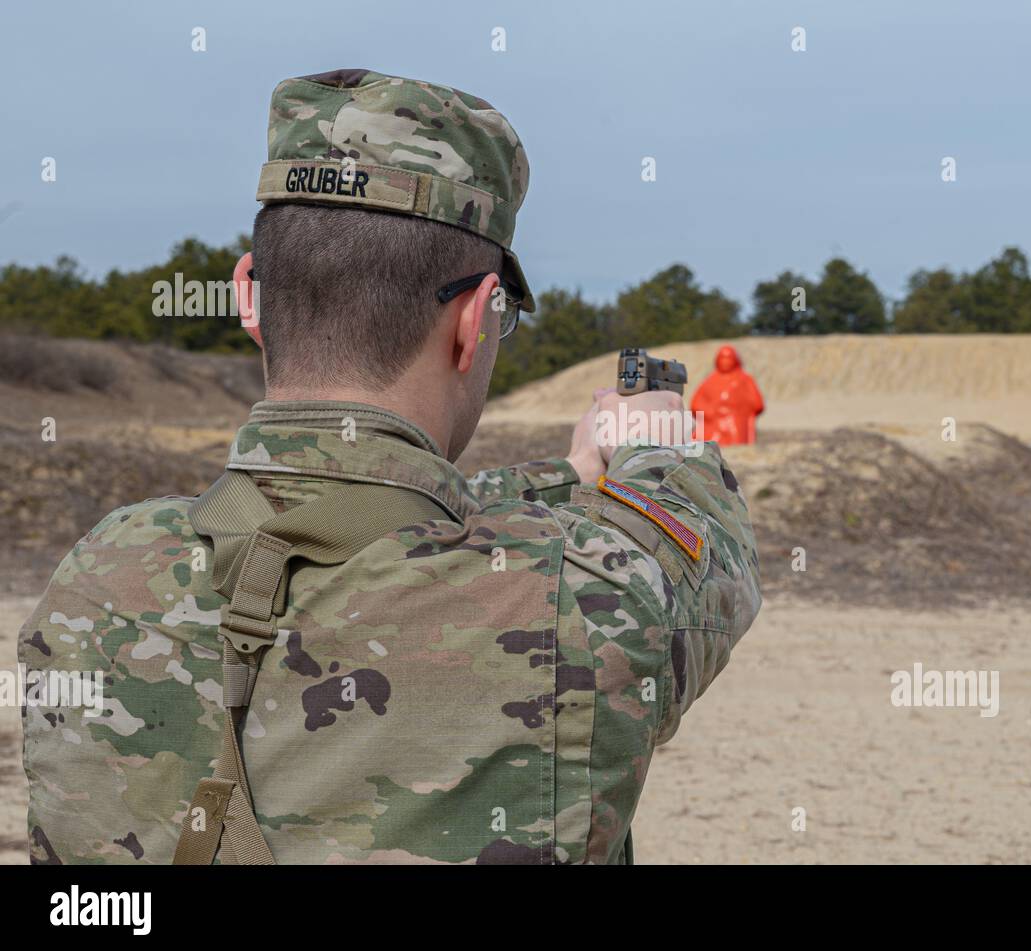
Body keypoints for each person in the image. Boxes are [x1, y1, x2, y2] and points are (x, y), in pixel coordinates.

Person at [18, 69, 760, 865]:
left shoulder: (97, 575)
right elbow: (706, 549)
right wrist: (653, 443)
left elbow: (350, 510)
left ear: (249, 298)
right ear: (476, 320)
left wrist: (567, 472)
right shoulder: (580, 601)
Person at [690, 344, 765, 444]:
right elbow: (695, 403)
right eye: (722, 358)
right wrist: (708, 411)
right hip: (712, 424)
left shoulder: (745, 379)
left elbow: (757, 404)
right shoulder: (709, 380)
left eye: (728, 358)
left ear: (735, 360)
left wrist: (738, 407)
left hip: (735, 423)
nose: (725, 362)